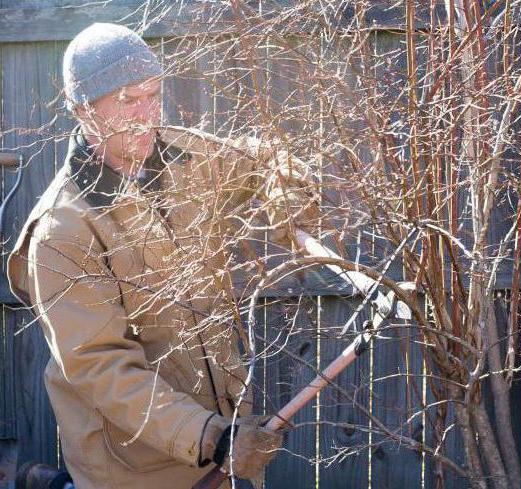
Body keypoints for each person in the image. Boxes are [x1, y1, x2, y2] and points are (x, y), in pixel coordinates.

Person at [8, 23, 316, 489]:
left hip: (223, 431)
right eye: (128, 101)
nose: (147, 114)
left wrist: (285, 188)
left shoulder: (185, 159)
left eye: (154, 94)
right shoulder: (64, 229)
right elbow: (100, 367)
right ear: (82, 110)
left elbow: (265, 156)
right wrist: (212, 436)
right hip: (134, 465)